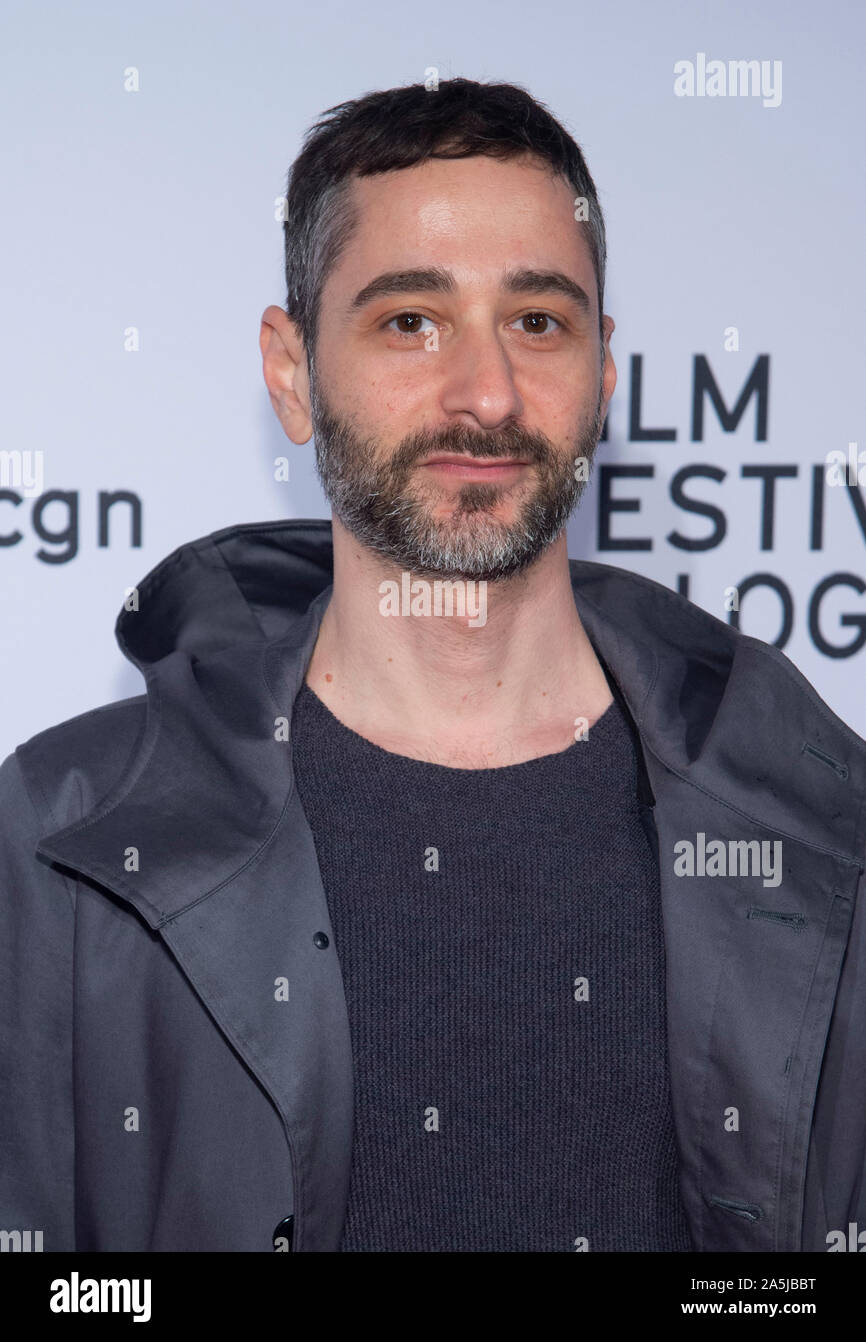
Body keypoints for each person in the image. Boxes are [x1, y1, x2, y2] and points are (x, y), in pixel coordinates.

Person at [1, 78, 864, 1254]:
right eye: (409, 319)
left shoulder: (819, 824)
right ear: (292, 370)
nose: (487, 394)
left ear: (604, 372)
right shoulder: (66, 836)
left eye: (537, 321)